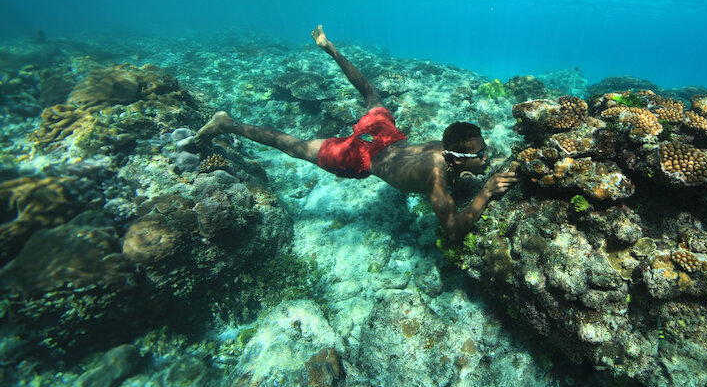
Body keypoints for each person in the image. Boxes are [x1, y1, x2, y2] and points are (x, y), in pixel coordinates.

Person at [191, 25, 519, 241]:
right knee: (296, 147)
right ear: (458, 157)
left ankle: (329, 47)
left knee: (371, 95)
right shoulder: (437, 175)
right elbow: (452, 230)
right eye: (482, 155)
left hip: (386, 136)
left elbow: (459, 164)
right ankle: (227, 125)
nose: (487, 157)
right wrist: (486, 192)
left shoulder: (445, 149)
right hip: (360, 155)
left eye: (484, 150)